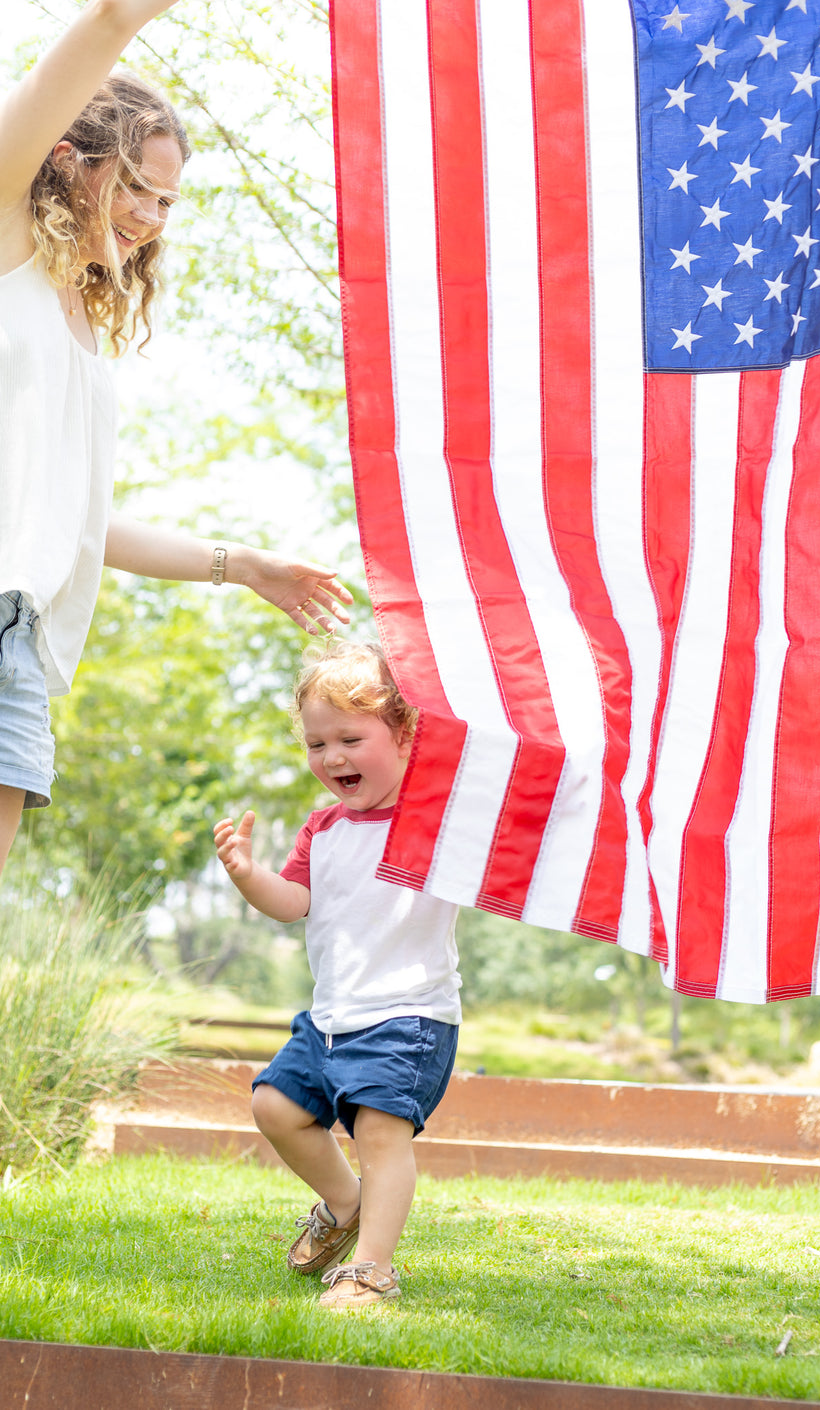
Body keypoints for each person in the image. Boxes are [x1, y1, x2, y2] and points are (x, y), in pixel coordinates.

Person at [0, 0, 352, 876]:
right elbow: (94, 39)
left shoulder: (81, 322)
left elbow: (82, 524)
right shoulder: (7, 239)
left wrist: (241, 567)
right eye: (133, 186)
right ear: (65, 159)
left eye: (166, 199)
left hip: (22, 632)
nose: (152, 215)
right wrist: (124, 16)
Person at [213, 641, 461, 1309]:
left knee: (380, 1136)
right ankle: (344, 1203)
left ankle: (371, 1269)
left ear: (405, 734)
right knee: (275, 1106)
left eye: (351, 737)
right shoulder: (322, 829)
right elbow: (293, 903)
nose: (333, 757)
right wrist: (247, 875)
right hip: (331, 1018)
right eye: (318, 744)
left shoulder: (436, 821)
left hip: (408, 1016)